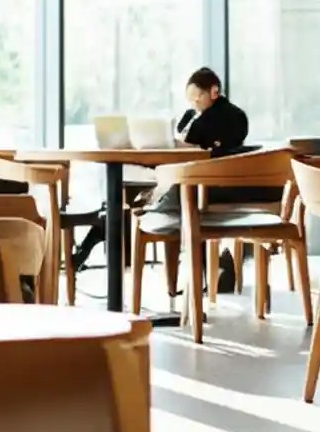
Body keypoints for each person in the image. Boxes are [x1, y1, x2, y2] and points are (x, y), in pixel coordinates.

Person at [72, 68, 248, 291]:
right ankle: (99, 234)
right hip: (196, 187)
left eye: (198, 98)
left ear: (214, 91)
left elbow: (201, 145)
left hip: (201, 189)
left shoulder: (223, 117)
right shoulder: (205, 116)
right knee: (141, 200)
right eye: (191, 99)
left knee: (138, 205)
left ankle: (93, 239)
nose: (195, 104)